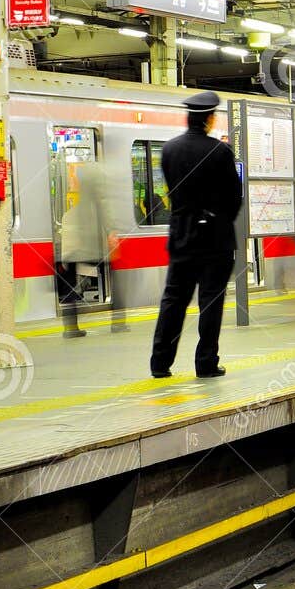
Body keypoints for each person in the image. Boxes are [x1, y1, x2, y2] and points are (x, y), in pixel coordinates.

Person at [149, 91, 243, 379]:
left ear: (189, 117)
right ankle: (206, 363)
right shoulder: (220, 151)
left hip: (181, 235)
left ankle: (160, 363)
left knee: (173, 299)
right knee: (211, 301)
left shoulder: (169, 150)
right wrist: (219, 219)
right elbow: (233, 197)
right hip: (215, 239)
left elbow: (173, 192)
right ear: (210, 119)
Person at [54, 159, 126, 337]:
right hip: (96, 248)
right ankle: (118, 324)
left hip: (74, 250)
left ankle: (71, 328)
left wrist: (65, 253)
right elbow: (107, 218)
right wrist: (111, 234)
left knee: (70, 286)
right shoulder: (99, 201)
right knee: (116, 282)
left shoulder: (75, 207)